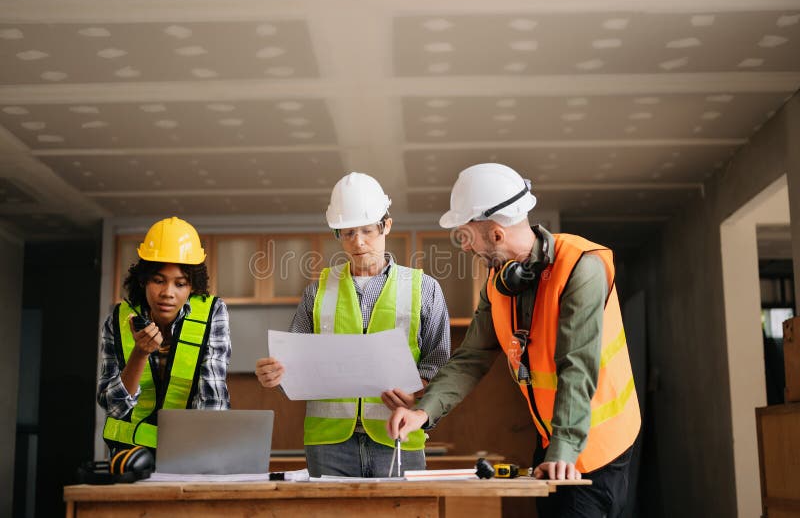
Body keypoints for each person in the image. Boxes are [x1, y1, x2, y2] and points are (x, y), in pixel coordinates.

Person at [387, 163, 640, 517]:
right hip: (552, 437)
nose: (466, 246)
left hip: (595, 444)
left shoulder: (581, 268)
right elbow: (471, 358)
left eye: (467, 234)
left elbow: (577, 366)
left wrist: (564, 451)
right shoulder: (498, 284)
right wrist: (422, 412)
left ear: (495, 232)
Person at [255, 172, 451, 477]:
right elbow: (293, 366)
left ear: (386, 225)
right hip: (328, 443)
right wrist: (276, 375)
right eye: (347, 233)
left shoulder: (423, 288)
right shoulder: (317, 292)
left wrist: (419, 391)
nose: (357, 242)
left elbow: (439, 364)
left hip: (397, 434)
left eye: (366, 231)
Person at [97, 216, 231, 455]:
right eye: (158, 281)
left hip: (188, 452)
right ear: (143, 280)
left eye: (180, 284)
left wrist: (210, 454)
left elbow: (212, 394)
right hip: (129, 457)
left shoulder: (213, 314)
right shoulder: (116, 322)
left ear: (193, 287)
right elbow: (113, 406)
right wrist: (139, 354)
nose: (168, 293)